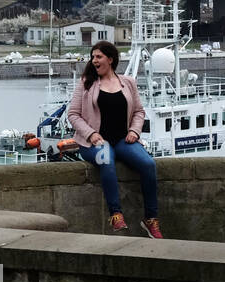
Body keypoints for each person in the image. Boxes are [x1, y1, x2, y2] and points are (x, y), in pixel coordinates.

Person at [67, 41, 162, 238]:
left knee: (148, 164)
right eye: (93, 57)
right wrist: (91, 134)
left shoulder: (128, 82)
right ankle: (116, 214)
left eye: (99, 57)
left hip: (122, 140)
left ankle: (150, 219)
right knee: (106, 160)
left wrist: (135, 132)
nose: (94, 61)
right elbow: (73, 114)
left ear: (110, 59)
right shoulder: (86, 83)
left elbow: (139, 112)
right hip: (94, 143)